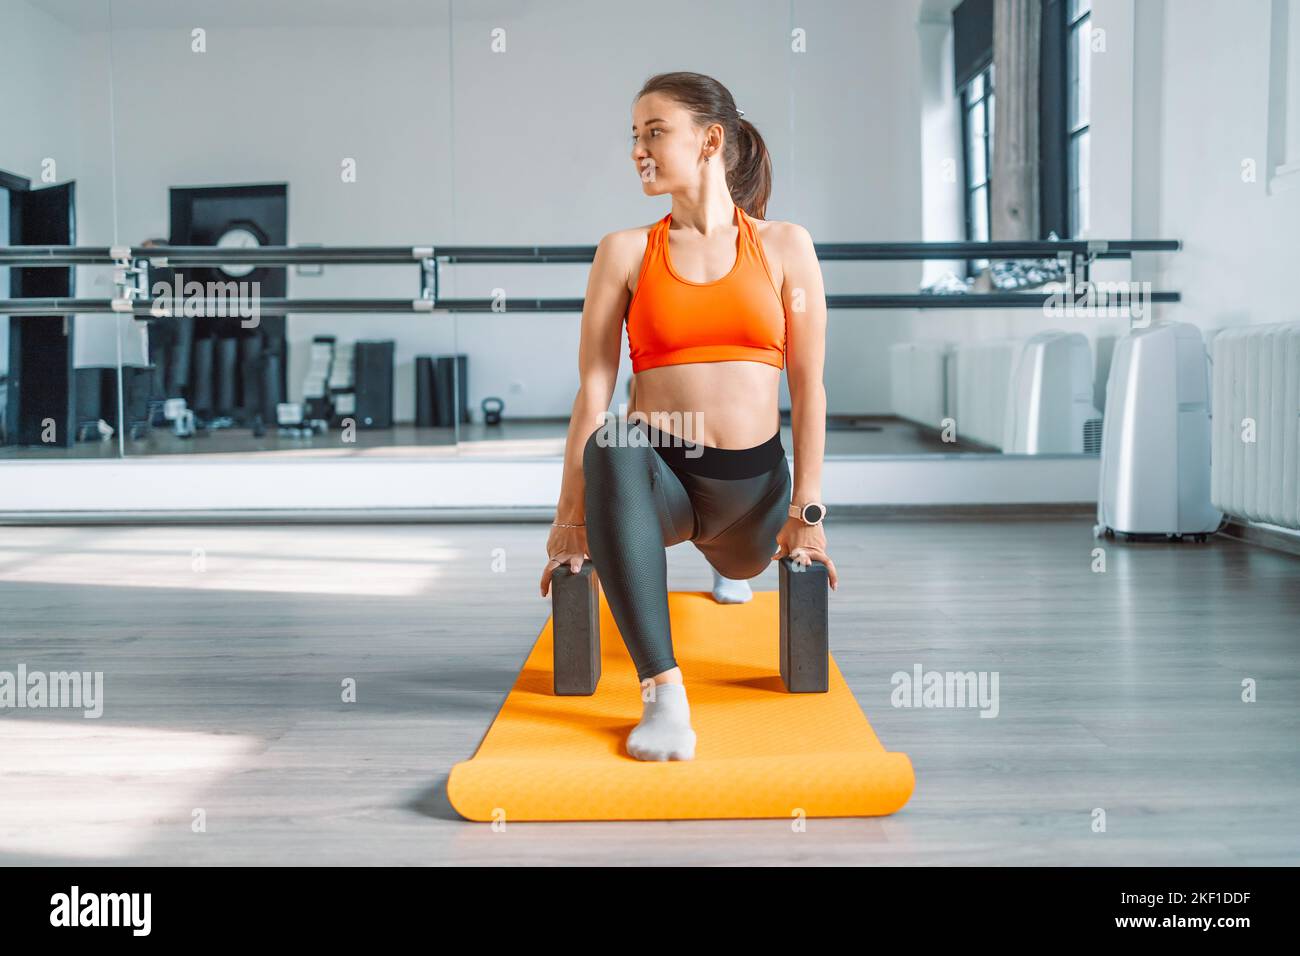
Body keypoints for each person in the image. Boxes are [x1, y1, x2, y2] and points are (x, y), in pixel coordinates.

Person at [538, 71, 839, 762]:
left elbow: (810, 385)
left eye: (654, 133)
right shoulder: (624, 252)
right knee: (615, 436)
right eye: (633, 137)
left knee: (737, 559)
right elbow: (592, 390)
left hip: (751, 499)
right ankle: (664, 692)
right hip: (660, 484)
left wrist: (809, 509)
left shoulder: (786, 245)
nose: (638, 150)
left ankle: (728, 571)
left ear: (710, 140)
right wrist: (569, 519)